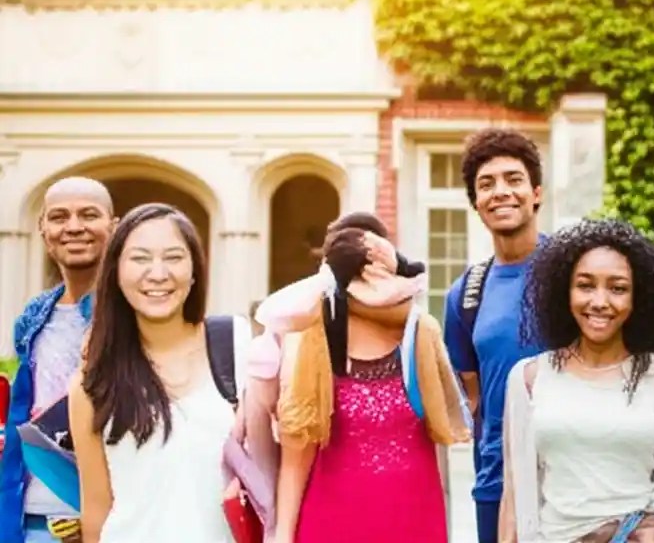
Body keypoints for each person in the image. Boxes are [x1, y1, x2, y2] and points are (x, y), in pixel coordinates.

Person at [271, 212, 469, 543]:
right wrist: (282, 538)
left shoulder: (420, 333)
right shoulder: (315, 339)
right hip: (332, 524)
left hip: (414, 522)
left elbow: (440, 446)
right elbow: (295, 458)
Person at [499, 219, 654, 542]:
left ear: (638, 299)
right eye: (586, 285)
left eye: (618, 288)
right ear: (565, 291)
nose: (599, 301)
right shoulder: (529, 378)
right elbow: (514, 497)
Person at [67, 203, 252, 543]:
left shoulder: (236, 344)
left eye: (173, 257)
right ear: (116, 273)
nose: (157, 273)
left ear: (195, 270)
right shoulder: (91, 384)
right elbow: (96, 508)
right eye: (139, 259)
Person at [443, 128, 548, 543]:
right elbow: (474, 397)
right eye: (486, 185)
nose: (501, 192)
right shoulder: (465, 294)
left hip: (572, 477)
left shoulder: (575, 275)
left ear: (536, 192)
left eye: (513, 179)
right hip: (496, 480)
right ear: (476, 204)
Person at [1, 177, 116, 543]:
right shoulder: (34, 316)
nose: (74, 227)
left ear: (113, 227)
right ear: (43, 229)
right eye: (59, 216)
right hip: (32, 514)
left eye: (89, 215)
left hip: (106, 514)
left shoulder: (131, 315)